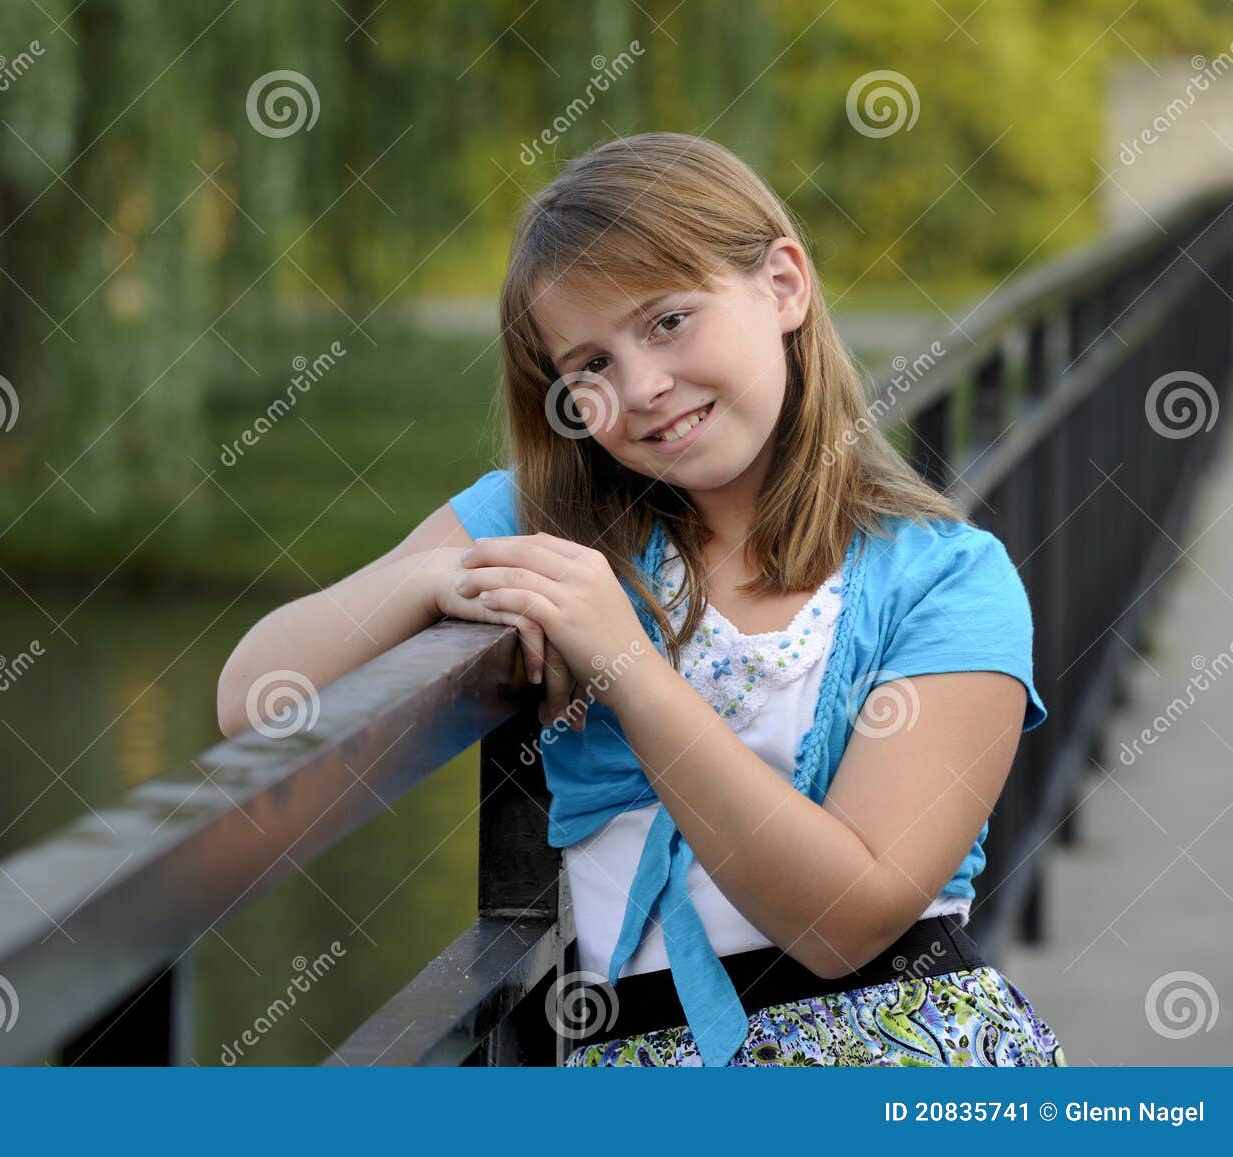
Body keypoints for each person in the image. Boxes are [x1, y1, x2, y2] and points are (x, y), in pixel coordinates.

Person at [217, 131, 1067, 1067]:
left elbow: (844, 924)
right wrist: (433, 579)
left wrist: (620, 659)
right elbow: (257, 698)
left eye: (667, 321)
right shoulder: (547, 523)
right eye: (589, 367)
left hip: (893, 1045)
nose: (643, 389)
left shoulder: (948, 579)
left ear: (784, 284)